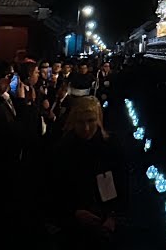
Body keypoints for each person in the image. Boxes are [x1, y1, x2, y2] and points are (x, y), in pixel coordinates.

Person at [51, 96, 126, 247]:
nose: (86, 128)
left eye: (91, 121)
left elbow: (123, 183)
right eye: (81, 122)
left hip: (106, 221)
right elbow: (54, 190)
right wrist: (73, 213)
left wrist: (113, 217)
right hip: (75, 225)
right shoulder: (63, 150)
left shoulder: (111, 146)